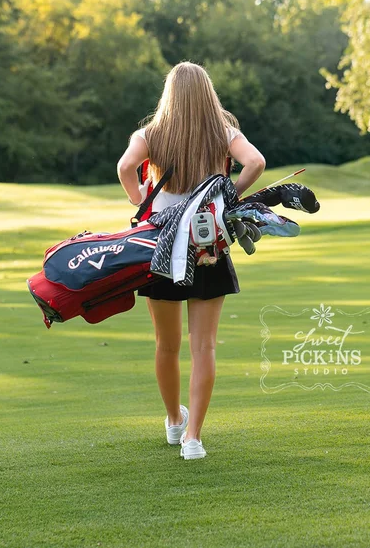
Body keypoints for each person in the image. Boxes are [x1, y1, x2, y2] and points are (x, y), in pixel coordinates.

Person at [116, 61, 266, 460]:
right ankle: (193, 438)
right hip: (207, 246)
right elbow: (256, 162)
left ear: (170, 95)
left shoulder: (150, 134)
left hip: (162, 246)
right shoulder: (224, 132)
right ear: (207, 94)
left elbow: (125, 167)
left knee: (166, 345)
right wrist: (227, 195)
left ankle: (173, 421)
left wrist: (139, 199)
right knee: (205, 347)